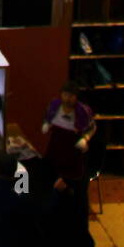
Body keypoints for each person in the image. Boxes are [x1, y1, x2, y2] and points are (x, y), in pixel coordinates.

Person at [42, 80, 96, 214]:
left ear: (76, 97)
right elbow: (47, 118)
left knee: (72, 186)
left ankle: (71, 209)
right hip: (55, 148)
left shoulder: (83, 111)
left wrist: (85, 138)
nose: (68, 98)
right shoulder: (54, 106)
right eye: (65, 95)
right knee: (50, 177)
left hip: (72, 152)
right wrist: (46, 124)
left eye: (71, 96)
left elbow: (92, 128)